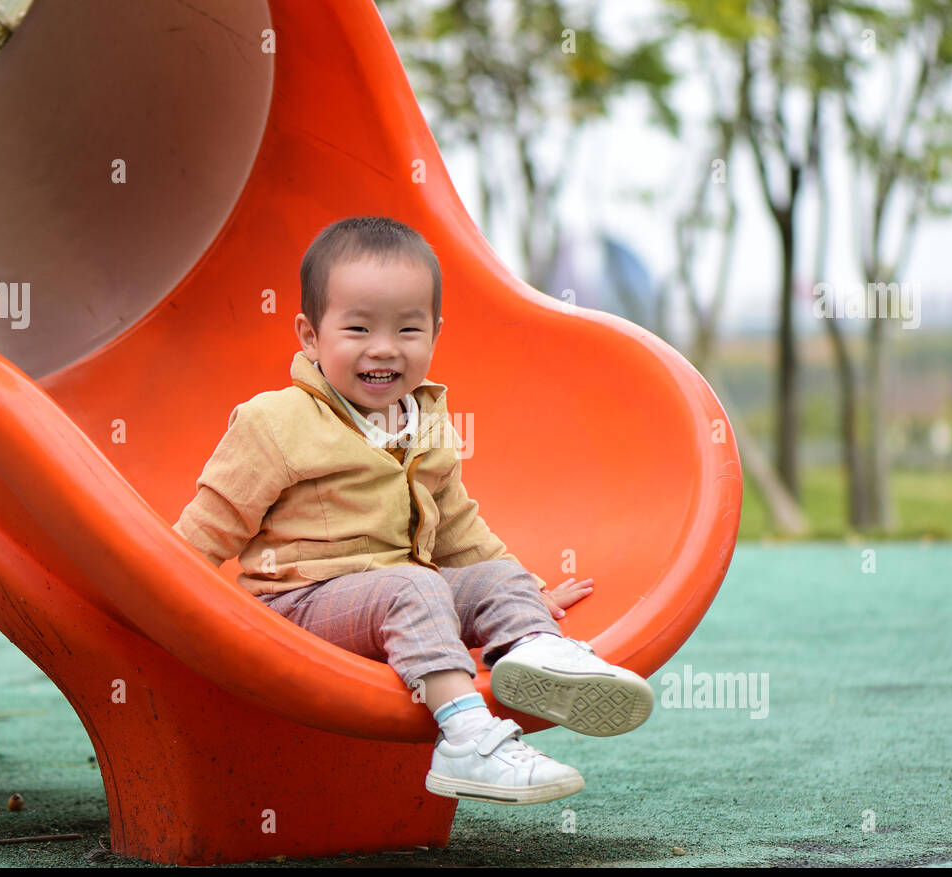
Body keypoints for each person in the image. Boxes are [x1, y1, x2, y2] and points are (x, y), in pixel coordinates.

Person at [171, 215, 653, 805]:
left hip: (398, 596)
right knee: (413, 587)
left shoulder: (423, 421)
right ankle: (466, 740)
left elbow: (455, 524)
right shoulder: (274, 422)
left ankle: (533, 651)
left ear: (434, 333)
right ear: (309, 334)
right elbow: (209, 525)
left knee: (494, 577)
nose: (383, 348)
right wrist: (166, 601)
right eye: (357, 328)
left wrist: (524, 593)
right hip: (296, 606)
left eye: (407, 328)